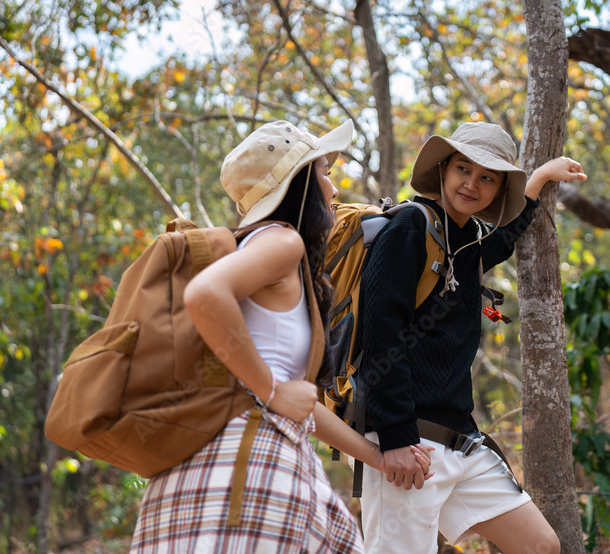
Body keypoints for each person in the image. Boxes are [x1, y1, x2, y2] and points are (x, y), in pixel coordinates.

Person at [131, 120, 431, 553]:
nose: (334, 188)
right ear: (301, 184)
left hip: (208, 471)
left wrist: (377, 459)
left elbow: (301, 403)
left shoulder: (257, 251)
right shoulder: (282, 241)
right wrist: (271, 390)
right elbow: (205, 295)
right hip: (250, 470)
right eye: (326, 172)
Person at [357, 122, 587, 553]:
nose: (472, 184)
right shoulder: (409, 227)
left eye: (488, 177)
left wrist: (536, 180)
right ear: (443, 168)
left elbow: (503, 239)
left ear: (499, 189)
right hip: (411, 442)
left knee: (541, 546)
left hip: (463, 442)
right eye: (464, 168)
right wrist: (395, 436)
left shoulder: (466, 240)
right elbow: (380, 333)